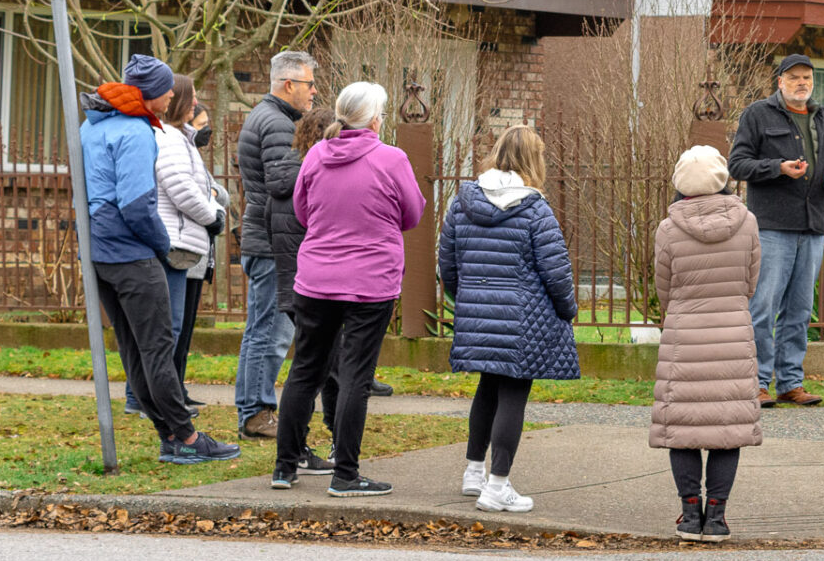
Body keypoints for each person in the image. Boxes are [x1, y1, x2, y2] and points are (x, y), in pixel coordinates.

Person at [79, 54, 238, 465]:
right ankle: (185, 437)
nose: (172, 94)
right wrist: (162, 245)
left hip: (100, 251)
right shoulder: (135, 132)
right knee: (158, 347)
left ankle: (169, 434)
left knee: (134, 349)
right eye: (167, 89)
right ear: (150, 94)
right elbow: (135, 204)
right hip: (132, 251)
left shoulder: (93, 125)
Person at [272, 83, 425, 497]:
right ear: (375, 119)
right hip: (370, 284)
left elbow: (302, 212)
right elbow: (412, 214)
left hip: (316, 279)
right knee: (355, 376)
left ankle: (285, 466)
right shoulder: (392, 159)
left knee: (305, 369)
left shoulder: (317, 155)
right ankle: (346, 474)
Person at [440, 125, 580, 514]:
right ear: (534, 161)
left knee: (487, 387)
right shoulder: (535, 208)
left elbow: (447, 264)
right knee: (513, 394)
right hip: (523, 318)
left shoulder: (462, 201)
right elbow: (556, 272)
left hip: (476, 312)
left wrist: (467, 299)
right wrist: (567, 309)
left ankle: (473, 471)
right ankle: (497, 485)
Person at [650, 145, 763, 543]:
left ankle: (688, 512)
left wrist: (681, 312)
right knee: (726, 428)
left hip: (685, 337)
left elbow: (664, 289)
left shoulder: (668, 229)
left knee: (682, 427)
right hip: (732, 332)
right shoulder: (747, 222)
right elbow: (751, 281)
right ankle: (717, 517)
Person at [728, 54, 824, 408]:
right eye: (794, 77)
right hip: (772, 227)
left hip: (811, 226)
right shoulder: (757, 115)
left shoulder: (820, 117)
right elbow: (737, 163)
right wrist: (777, 168)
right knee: (763, 306)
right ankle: (758, 382)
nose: (801, 83)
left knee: (799, 310)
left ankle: (790, 382)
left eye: (807, 78)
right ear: (779, 81)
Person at [234, 49, 316, 440]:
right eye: (309, 84)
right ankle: (256, 412)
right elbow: (285, 185)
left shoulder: (265, 117)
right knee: (271, 331)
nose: (313, 92)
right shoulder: (278, 124)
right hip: (272, 243)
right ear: (288, 85)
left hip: (262, 238)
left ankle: (255, 408)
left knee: (262, 328)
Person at [152, 78, 222, 410]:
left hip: (189, 246)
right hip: (177, 245)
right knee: (169, 327)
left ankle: (169, 395)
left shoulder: (184, 141)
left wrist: (212, 201)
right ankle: (161, 399)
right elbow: (183, 188)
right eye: (191, 100)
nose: (196, 104)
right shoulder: (170, 140)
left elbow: (212, 188)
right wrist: (212, 215)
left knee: (178, 327)